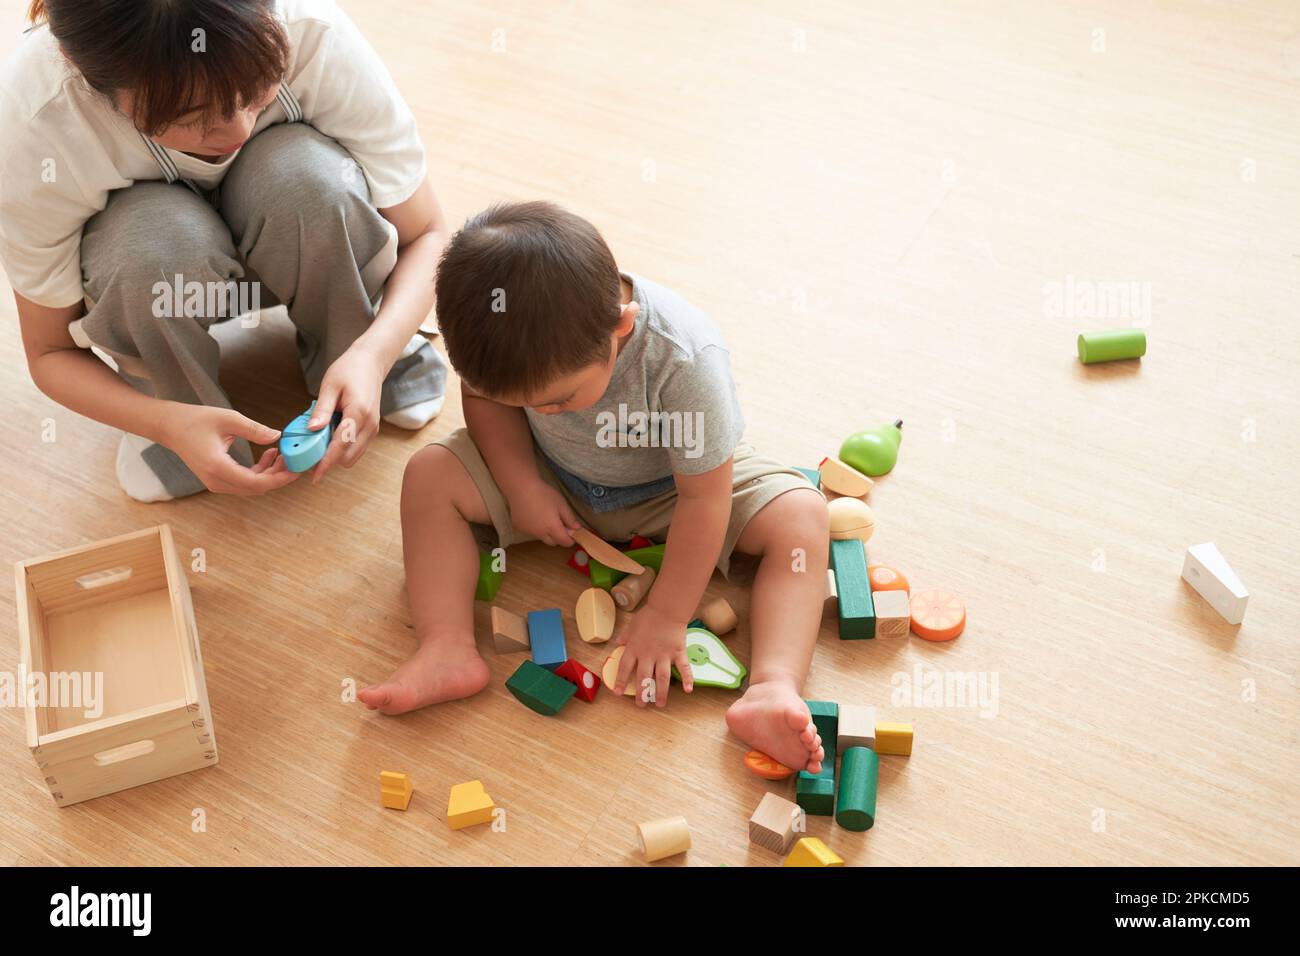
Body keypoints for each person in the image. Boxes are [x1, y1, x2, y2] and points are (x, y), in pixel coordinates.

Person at [373, 201, 829, 774]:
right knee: (428, 475)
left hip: (673, 489)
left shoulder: (684, 361)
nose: (543, 409)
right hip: (549, 473)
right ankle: (445, 647)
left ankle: (772, 687)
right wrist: (520, 485)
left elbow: (705, 498)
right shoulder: (499, 342)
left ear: (622, 327)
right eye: (525, 401)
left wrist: (666, 615)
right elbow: (487, 403)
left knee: (804, 519)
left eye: (557, 399)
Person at [0, 0, 449, 501]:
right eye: (194, 118)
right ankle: (176, 409)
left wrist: (374, 352)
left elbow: (427, 232)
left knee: (310, 182)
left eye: (258, 89)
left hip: (290, 233)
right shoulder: (33, 124)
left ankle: (355, 342)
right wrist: (165, 422)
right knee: (147, 246)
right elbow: (49, 352)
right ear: (80, 66)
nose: (238, 129)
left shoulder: (308, 31)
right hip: (166, 278)